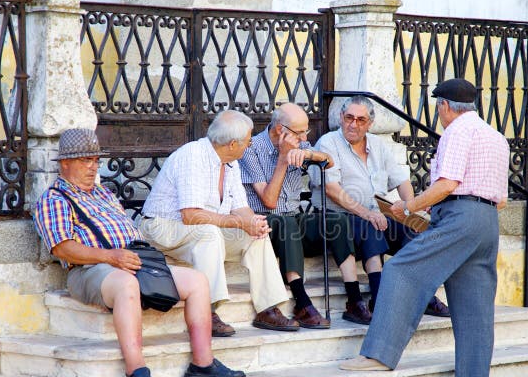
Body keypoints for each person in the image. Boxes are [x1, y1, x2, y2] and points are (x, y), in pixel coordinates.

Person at [33, 128, 245, 377]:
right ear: (66, 163)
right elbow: (63, 249)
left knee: (197, 281)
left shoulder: (104, 194)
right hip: (91, 269)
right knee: (126, 285)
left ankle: (203, 363)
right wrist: (111, 256)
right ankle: (136, 370)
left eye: (95, 161)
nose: (93, 167)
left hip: (132, 259)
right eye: (86, 160)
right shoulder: (54, 199)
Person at [339, 78, 510, 377]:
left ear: (445, 106)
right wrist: (447, 204)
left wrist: (409, 206)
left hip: (461, 218)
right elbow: (499, 199)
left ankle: (378, 355)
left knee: (401, 270)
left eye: (438, 107)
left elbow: (448, 183)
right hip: (487, 222)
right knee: (475, 307)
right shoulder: (495, 137)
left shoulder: (457, 132)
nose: (438, 113)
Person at [139, 110, 299, 335]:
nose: (250, 145)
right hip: (163, 227)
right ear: (233, 144)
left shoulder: (231, 162)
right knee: (210, 233)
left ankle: (268, 309)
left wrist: (253, 222)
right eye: (248, 141)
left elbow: (241, 208)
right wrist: (237, 222)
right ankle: (208, 310)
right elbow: (191, 215)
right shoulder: (193, 156)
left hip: (200, 229)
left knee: (257, 236)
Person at [310, 96, 450, 323]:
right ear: (340, 118)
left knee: (413, 234)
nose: (353, 124)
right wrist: (367, 214)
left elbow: (401, 181)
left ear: (369, 124)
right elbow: (331, 189)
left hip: (376, 215)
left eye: (360, 120)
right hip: (340, 217)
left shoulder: (377, 145)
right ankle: (379, 298)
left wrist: (410, 211)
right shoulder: (328, 143)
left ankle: (422, 295)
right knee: (370, 229)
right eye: (348, 118)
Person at [239, 102, 368, 329]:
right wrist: (283, 158)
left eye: (305, 131)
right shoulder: (251, 150)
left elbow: (329, 161)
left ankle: (354, 300)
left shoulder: (300, 142)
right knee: (286, 222)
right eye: (300, 132)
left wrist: (308, 153)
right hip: (265, 222)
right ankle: (301, 301)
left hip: (294, 217)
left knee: (337, 220)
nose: (304, 136)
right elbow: (268, 201)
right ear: (281, 130)